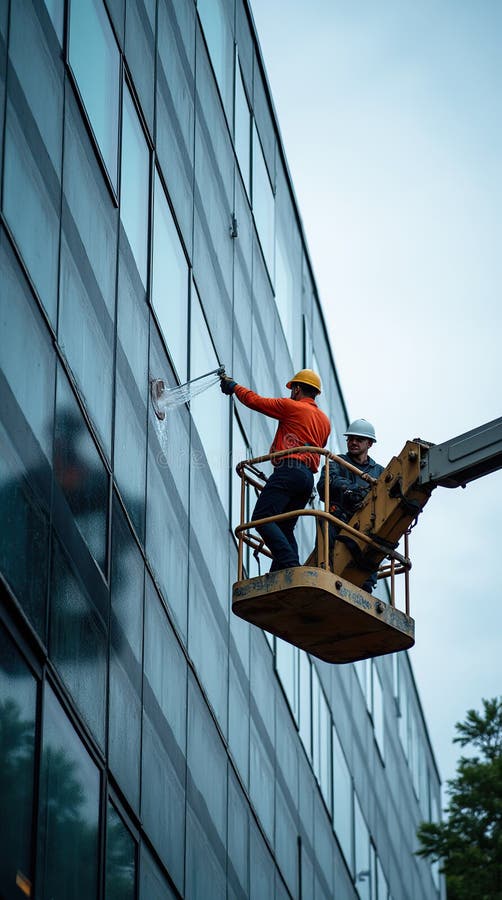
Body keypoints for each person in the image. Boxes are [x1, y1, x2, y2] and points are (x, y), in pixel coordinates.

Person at [220, 369, 331, 571]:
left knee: (262, 518)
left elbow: (255, 401)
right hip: (307, 480)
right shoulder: (325, 421)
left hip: (289, 470)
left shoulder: (291, 407)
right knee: (284, 528)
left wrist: (234, 387)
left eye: (292, 389)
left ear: (297, 389)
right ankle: (285, 571)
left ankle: (290, 565)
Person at [317, 419, 384, 592]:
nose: (353, 442)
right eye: (350, 439)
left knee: (378, 536)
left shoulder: (379, 472)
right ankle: (328, 567)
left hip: (365, 526)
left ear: (369, 443)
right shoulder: (337, 462)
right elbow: (325, 484)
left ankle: (366, 582)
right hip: (341, 519)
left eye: (358, 439)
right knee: (328, 517)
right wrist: (352, 490)